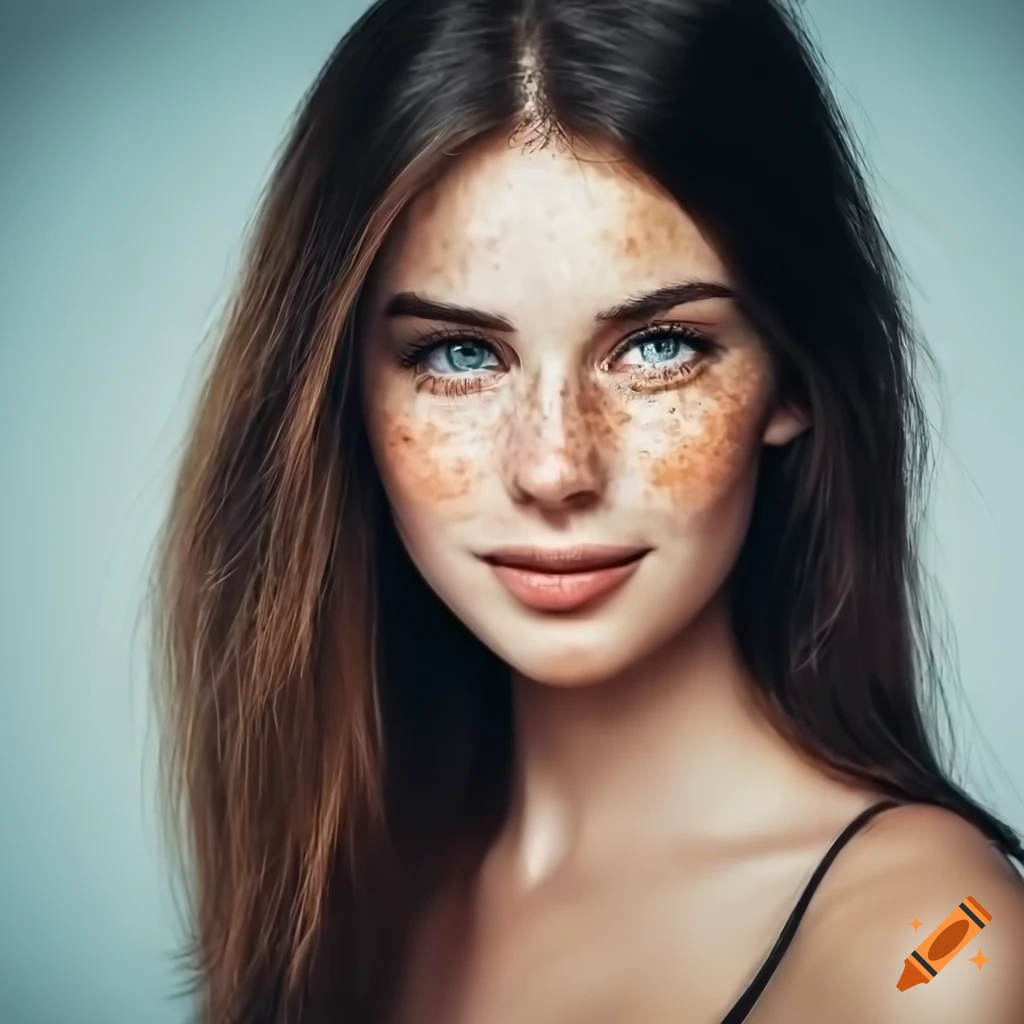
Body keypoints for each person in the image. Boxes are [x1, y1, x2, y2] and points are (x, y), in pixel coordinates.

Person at [149, 0, 1024, 1021]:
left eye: (658, 346)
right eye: (460, 354)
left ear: (795, 374)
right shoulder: (335, 884)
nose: (555, 466)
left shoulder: (934, 955)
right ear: (343, 391)